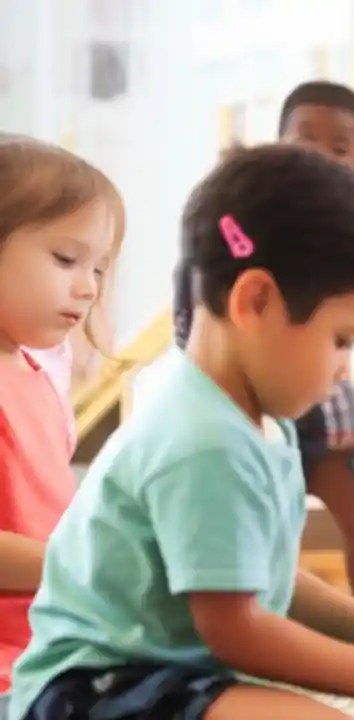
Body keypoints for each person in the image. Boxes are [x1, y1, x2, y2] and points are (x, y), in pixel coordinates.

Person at [8, 145, 354, 719]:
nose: (344, 367)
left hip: (164, 677)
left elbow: (266, 576)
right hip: (88, 690)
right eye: (342, 340)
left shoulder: (261, 424)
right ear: (255, 301)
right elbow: (235, 630)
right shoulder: (200, 436)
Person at [172, 80, 354, 610]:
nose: (320, 154)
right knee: (262, 516)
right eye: (305, 139)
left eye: (339, 147)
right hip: (260, 392)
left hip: (328, 406)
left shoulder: (352, 224)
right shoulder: (240, 221)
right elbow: (192, 293)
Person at [0, 137, 124, 700]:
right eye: (66, 259)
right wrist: (85, 564)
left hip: (57, 643)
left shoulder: (37, 376)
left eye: (98, 268)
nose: (88, 287)